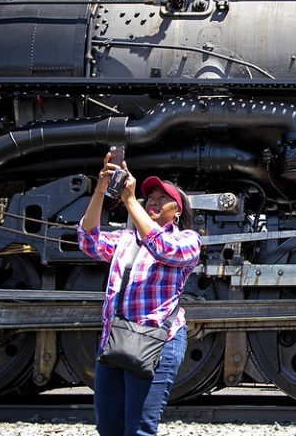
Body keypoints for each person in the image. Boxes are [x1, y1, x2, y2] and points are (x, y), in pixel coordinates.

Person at [77, 152, 201, 436]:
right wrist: (100, 191)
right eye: (150, 196)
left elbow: (161, 248)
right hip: (115, 338)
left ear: (177, 211)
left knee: (139, 430)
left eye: (163, 197)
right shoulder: (125, 239)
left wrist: (130, 200)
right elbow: (88, 239)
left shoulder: (187, 239)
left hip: (155, 341)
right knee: (108, 427)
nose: (154, 199)